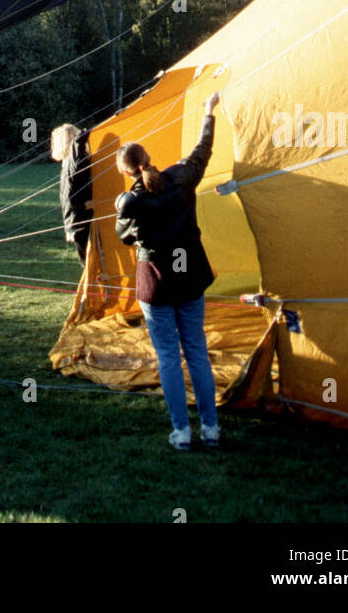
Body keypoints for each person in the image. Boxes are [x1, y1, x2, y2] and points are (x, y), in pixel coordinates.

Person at [115, 92, 221, 452]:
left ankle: (182, 432)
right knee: (196, 351)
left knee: (169, 357)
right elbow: (202, 151)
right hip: (188, 277)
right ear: (149, 159)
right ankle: (210, 428)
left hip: (157, 285)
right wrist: (209, 112)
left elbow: (124, 234)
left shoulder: (133, 202)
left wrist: (127, 196)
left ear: (128, 171)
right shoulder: (180, 179)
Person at [51, 123, 93, 264]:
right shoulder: (73, 163)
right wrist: (80, 141)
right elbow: (77, 164)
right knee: (88, 263)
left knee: (88, 263)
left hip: (76, 219)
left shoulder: (68, 164)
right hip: (80, 219)